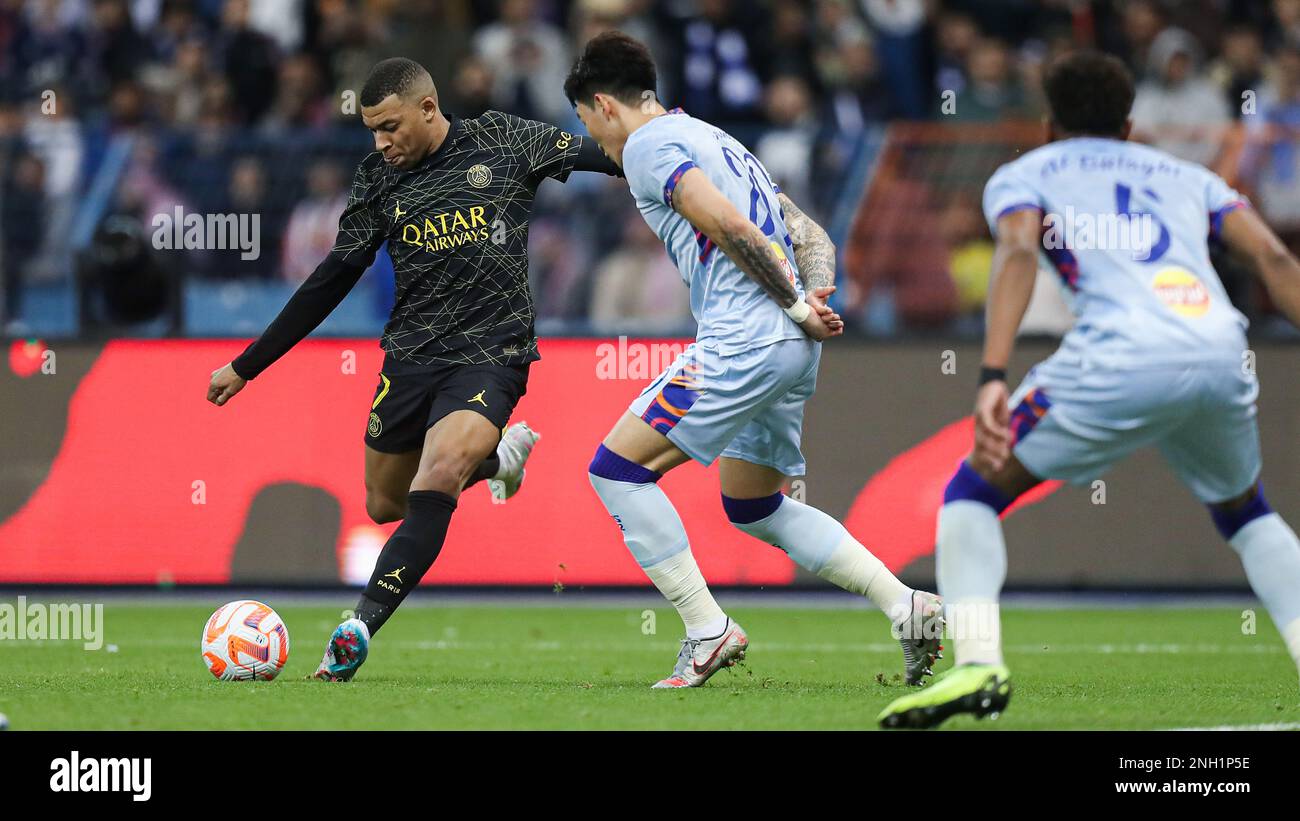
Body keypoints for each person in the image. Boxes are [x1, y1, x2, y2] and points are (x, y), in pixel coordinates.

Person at [879, 51, 1300, 729]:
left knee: (973, 492)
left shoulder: (1025, 173)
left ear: (1048, 125)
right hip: (1222, 347)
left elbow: (1016, 252)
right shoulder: (1188, 174)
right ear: (1130, 127)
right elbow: (1275, 258)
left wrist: (991, 373)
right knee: (1247, 514)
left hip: (1121, 354)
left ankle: (979, 664)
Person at [205, 57, 622, 681]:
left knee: (440, 473)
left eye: (390, 126)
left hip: (492, 352)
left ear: (429, 109)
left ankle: (357, 628)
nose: (381, 142)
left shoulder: (505, 141)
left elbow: (611, 156)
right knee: (383, 503)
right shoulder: (378, 178)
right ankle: (500, 461)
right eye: (372, 129)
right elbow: (333, 277)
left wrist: (677, 151)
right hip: (411, 357)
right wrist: (248, 365)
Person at [565, 31, 944, 689]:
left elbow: (727, 227)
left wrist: (797, 304)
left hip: (747, 336)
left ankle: (706, 629)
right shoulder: (720, 141)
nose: (597, 142)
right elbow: (811, 234)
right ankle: (906, 606)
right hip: (788, 345)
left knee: (616, 469)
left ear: (603, 104)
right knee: (755, 505)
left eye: (587, 124)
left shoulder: (651, 145)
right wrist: (812, 292)